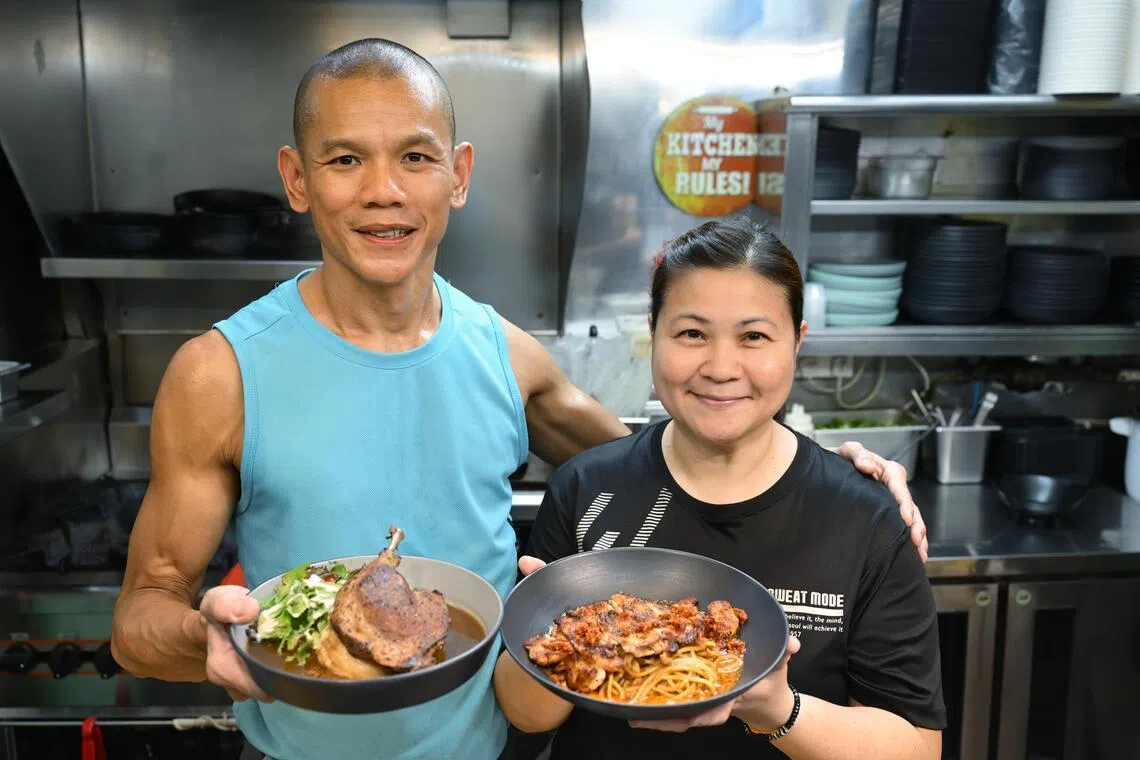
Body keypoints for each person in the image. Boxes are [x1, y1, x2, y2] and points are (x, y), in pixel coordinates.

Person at [110, 38, 927, 760]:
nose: (384, 190)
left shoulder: (504, 355)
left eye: (416, 157)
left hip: (499, 747)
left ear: (459, 175)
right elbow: (138, 622)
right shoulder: (220, 373)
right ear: (297, 179)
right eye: (346, 159)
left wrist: (830, 477)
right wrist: (202, 638)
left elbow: (670, 464)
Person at [494, 217, 945, 759]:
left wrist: (778, 710)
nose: (721, 368)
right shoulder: (585, 487)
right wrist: (557, 628)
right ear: (654, 333)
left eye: (754, 336)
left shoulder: (865, 516)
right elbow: (525, 716)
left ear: (797, 342)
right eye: (692, 334)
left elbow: (917, 747)